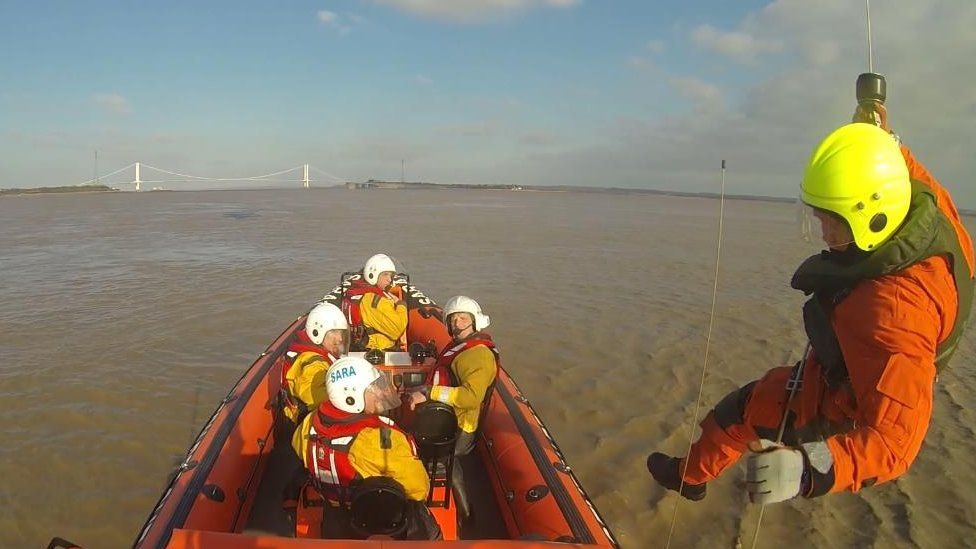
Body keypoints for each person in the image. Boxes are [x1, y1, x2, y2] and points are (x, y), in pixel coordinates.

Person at [647, 121, 974, 504]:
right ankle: (692, 475)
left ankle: (690, 476)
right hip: (848, 362)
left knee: (742, 412)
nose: (823, 234)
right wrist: (876, 135)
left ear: (873, 219)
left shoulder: (894, 316)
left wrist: (808, 468)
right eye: (819, 218)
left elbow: (894, 442)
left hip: (848, 399)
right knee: (746, 403)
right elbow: (898, 165)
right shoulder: (926, 205)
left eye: (833, 223)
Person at [291, 356, 439, 539]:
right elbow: (419, 488)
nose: (379, 392)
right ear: (351, 396)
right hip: (382, 518)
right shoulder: (377, 438)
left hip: (334, 516)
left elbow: (299, 448)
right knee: (428, 527)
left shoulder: (309, 424)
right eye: (372, 389)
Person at [407, 295, 500, 520]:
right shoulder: (460, 347)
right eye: (453, 319)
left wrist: (429, 393)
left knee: (435, 454)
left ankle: (457, 511)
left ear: (474, 321)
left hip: (459, 426)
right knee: (449, 459)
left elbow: (470, 397)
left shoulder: (478, 355)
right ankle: (465, 509)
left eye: (463, 318)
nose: (457, 323)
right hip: (446, 415)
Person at [281, 302, 349, 424]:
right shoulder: (313, 367)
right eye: (334, 332)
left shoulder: (312, 353)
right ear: (317, 332)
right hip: (308, 425)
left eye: (341, 333)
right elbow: (321, 400)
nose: (339, 338)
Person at [341, 253, 408, 351]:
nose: (389, 280)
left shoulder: (355, 292)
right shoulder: (373, 299)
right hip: (379, 349)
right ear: (372, 274)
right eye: (385, 274)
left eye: (391, 276)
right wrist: (401, 305)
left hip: (358, 347)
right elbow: (397, 329)